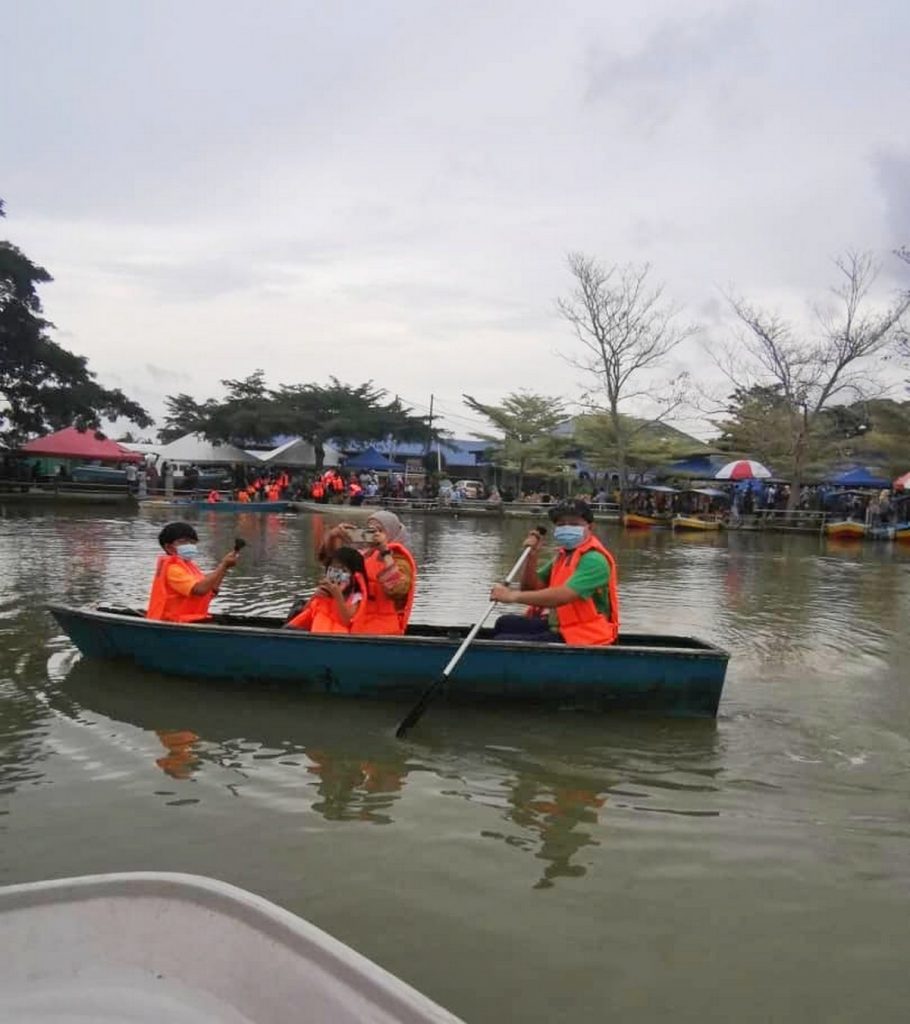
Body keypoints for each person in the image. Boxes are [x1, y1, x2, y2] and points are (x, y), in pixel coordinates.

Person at [490, 499, 619, 645]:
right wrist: (532, 556)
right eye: (561, 524)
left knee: (502, 641)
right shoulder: (564, 555)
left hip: (584, 634)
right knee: (504, 623)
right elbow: (530, 588)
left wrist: (512, 596)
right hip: (562, 627)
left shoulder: (594, 559)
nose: (567, 528)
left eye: (574, 524)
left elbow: (563, 596)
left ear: (590, 527)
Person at [319, 510, 417, 635]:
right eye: (370, 530)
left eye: (379, 530)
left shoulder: (400, 559)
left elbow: (397, 589)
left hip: (385, 630)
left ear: (391, 532)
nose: (374, 534)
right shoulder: (365, 555)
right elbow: (334, 564)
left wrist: (385, 551)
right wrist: (333, 536)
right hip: (358, 622)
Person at [146, 522, 239, 623]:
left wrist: (225, 567)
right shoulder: (172, 569)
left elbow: (211, 588)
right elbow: (200, 590)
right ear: (169, 547)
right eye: (183, 542)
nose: (189, 545)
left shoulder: (189, 566)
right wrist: (223, 565)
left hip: (192, 619)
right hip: (173, 621)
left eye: (192, 542)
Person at [286, 547, 368, 633]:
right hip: (315, 634)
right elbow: (306, 613)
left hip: (337, 638)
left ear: (354, 576)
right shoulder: (325, 591)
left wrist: (338, 596)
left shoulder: (356, 597)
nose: (336, 573)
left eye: (343, 570)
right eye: (333, 568)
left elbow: (347, 621)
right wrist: (314, 597)